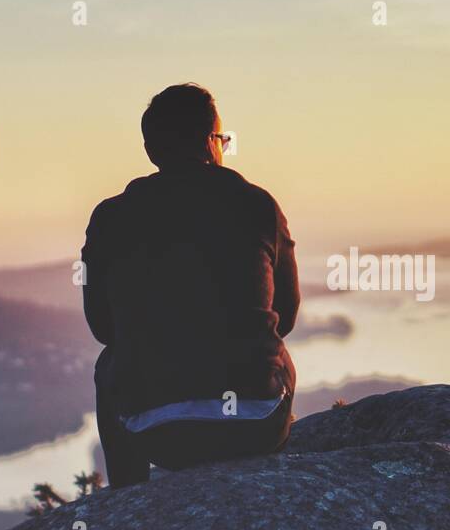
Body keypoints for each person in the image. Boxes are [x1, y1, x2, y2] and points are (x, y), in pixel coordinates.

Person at [81, 83, 298, 488]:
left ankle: (128, 503)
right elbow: (285, 316)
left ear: (151, 150)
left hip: (158, 437)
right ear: (211, 143)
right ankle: (271, 487)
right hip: (255, 427)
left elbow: (103, 329)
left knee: (109, 364)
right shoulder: (257, 205)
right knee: (279, 355)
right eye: (223, 140)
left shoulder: (111, 217)